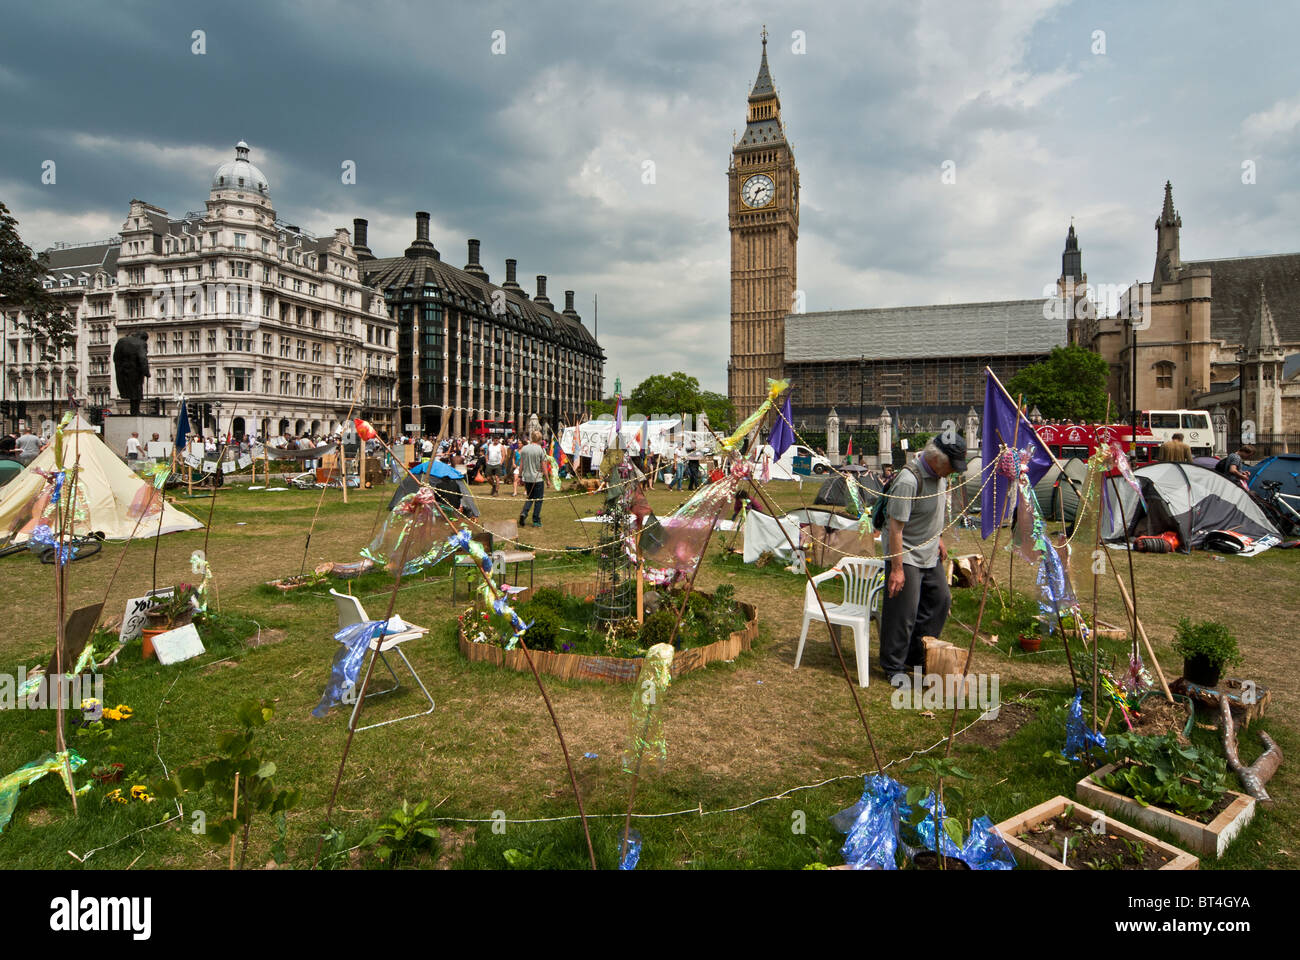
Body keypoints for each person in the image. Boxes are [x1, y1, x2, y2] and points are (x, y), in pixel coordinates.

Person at [880, 434, 965, 688]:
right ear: (936, 460)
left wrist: (937, 537)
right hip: (904, 551)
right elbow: (895, 529)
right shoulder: (908, 481)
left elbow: (933, 511)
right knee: (904, 611)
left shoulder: (940, 476)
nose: (952, 473)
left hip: (928, 550)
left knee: (940, 600)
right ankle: (893, 666)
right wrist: (897, 569)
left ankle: (915, 656)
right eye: (951, 466)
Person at [518, 430, 545, 527]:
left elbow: (521, 464)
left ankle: (524, 513)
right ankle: (536, 520)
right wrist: (548, 479)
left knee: (529, 498)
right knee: (538, 500)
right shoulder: (540, 449)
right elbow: (543, 465)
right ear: (540, 439)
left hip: (527, 478)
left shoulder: (524, 448)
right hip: (537, 479)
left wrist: (520, 476)